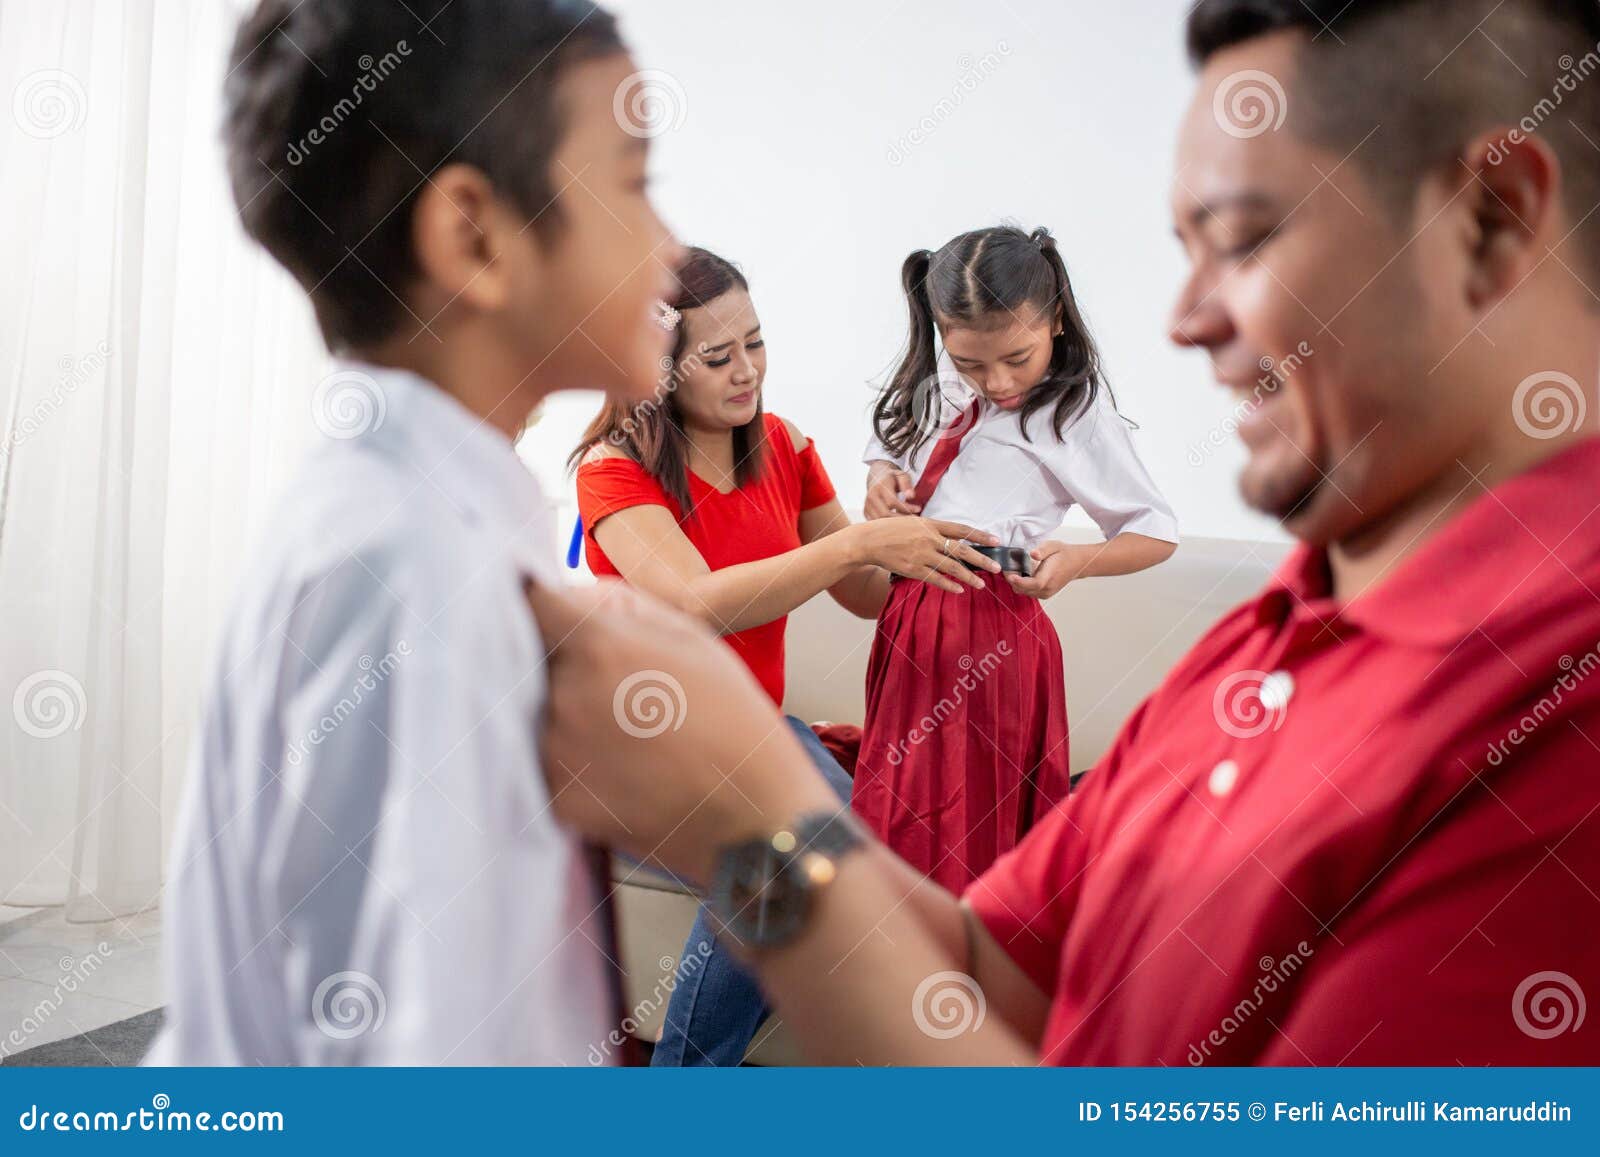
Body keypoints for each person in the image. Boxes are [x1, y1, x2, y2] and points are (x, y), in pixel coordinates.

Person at [529, 0, 1600, 1065]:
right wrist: (751, 815)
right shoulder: (1243, 656)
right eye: (1186, 249)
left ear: (1492, 218)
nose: (1184, 319)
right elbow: (977, 973)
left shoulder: (1550, 699)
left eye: (1244, 240)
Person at [151, 0, 680, 1064]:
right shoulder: (416, 570)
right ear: (473, 235)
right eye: (633, 184)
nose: (668, 247)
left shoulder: (434, 519)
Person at [571, 246, 998, 1065]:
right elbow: (696, 602)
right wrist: (853, 545)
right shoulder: (612, 472)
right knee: (794, 848)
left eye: (756, 342)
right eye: (717, 356)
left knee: (865, 836)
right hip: (637, 753)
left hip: (748, 736)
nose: (747, 370)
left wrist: (903, 528)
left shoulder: (782, 445)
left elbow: (864, 591)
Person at [856, 225, 1177, 891]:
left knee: (978, 824)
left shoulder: (1073, 412)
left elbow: (1154, 530)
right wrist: (881, 482)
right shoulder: (937, 385)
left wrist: (1078, 560)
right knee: (900, 811)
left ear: (1055, 318)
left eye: (1017, 358)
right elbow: (888, 451)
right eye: (971, 363)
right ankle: (900, 946)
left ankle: (979, 949)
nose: (996, 381)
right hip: (909, 618)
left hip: (990, 629)